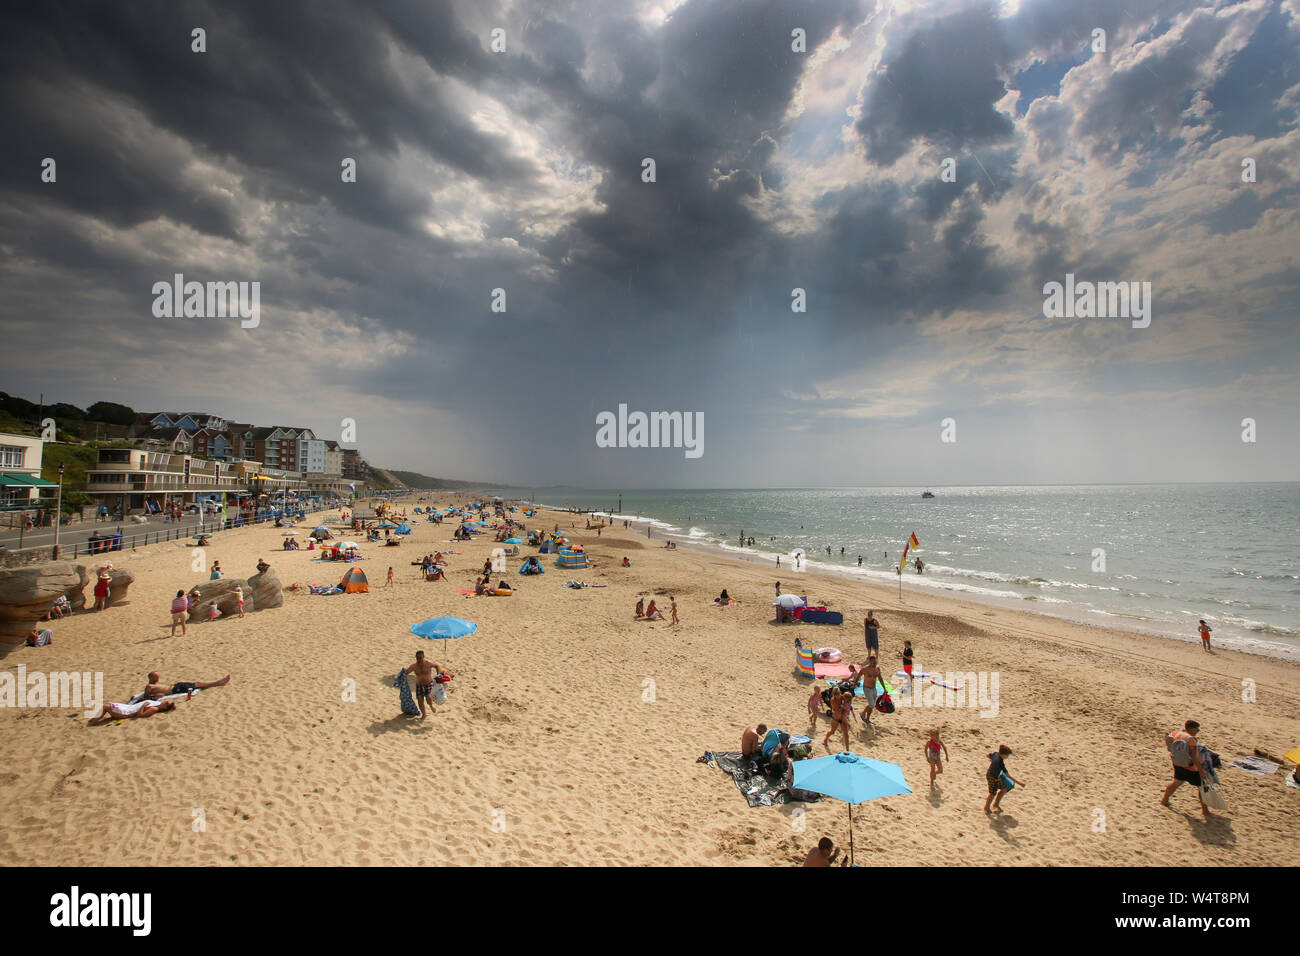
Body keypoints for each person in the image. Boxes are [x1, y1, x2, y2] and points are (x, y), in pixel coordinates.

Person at [1161, 720, 1212, 817]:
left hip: (1178, 764)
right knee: (1202, 788)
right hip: (1190, 767)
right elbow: (1194, 756)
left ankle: (1164, 800)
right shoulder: (1191, 739)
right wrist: (1201, 771)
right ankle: (1205, 811)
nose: (1197, 731)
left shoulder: (1178, 734)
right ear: (1192, 729)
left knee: (1176, 783)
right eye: (1197, 729)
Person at [405, 650, 446, 718]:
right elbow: (406, 672)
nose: (419, 660)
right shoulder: (414, 666)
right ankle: (424, 714)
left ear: (423, 657)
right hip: (419, 685)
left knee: (428, 698)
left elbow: (437, 666)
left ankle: (431, 706)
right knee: (420, 700)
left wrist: (438, 675)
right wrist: (402, 674)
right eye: (417, 658)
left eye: (420, 658)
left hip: (428, 684)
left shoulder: (428, 663)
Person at [984, 745, 1023, 812]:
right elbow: (1008, 775)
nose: (1008, 757)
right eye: (1007, 755)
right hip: (992, 777)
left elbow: (988, 755)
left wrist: (992, 762)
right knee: (992, 793)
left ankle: (996, 804)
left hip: (996, 776)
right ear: (1004, 755)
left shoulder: (996, 754)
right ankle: (986, 808)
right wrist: (1019, 783)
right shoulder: (1000, 763)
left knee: (1004, 790)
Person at [143, 672, 230, 700]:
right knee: (198, 684)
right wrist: (158, 696)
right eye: (156, 676)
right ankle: (218, 682)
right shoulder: (149, 687)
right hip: (175, 689)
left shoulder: (154, 685)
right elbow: (146, 697)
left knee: (197, 683)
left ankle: (218, 682)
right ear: (151, 678)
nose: (158, 678)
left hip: (176, 686)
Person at [88, 699, 177, 725]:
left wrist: (143, 706)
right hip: (129, 707)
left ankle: (95, 720)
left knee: (105, 706)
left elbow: (140, 715)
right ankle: (96, 718)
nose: (164, 702)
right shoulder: (157, 703)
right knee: (107, 704)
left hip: (128, 712)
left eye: (166, 703)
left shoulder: (154, 709)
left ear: (165, 707)